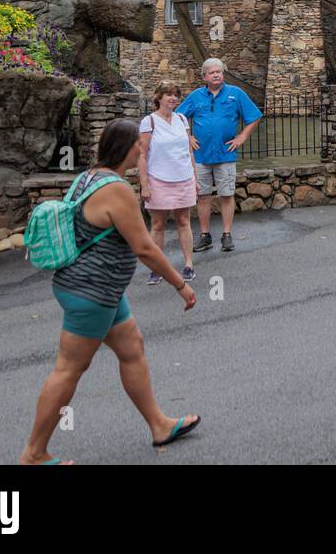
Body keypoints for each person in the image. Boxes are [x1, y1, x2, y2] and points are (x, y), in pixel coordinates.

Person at [20, 119, 199, 465]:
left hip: (100, 290)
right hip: (92, 291)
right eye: (138, 144)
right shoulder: (117, 190)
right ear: (127, 147)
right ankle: (34, 453)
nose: (142, 148)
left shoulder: (89, 177)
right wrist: (180, 284)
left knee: (132, 349)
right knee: (69, 369)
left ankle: (159, 425)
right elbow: (144, 248)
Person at [177, 58, 263, 254]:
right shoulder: (196, 96)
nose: (217, 75)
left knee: (226, 194)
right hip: (201, 156)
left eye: (220, 72)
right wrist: (188, 136)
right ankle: (205, 236)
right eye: (213, 72)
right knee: (203, 197)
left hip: (226, 154)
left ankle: (226, 234)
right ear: (205, 77)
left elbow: (255, 116)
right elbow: (178, 117)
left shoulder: (236, 94)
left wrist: (242, 136)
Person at [138, 81, 198, 286]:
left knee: (184, 221)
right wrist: (144, 184)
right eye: (168, 95)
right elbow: (142, 155)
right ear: (159, 98)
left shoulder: (182, 119)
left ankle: (188, 264)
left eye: (175, 95)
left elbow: (188, 152)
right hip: (159, 179)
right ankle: (157, 269)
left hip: (184, 177)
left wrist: (195, 179)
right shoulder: (149, 122)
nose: (173, 98)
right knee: (158, 225)